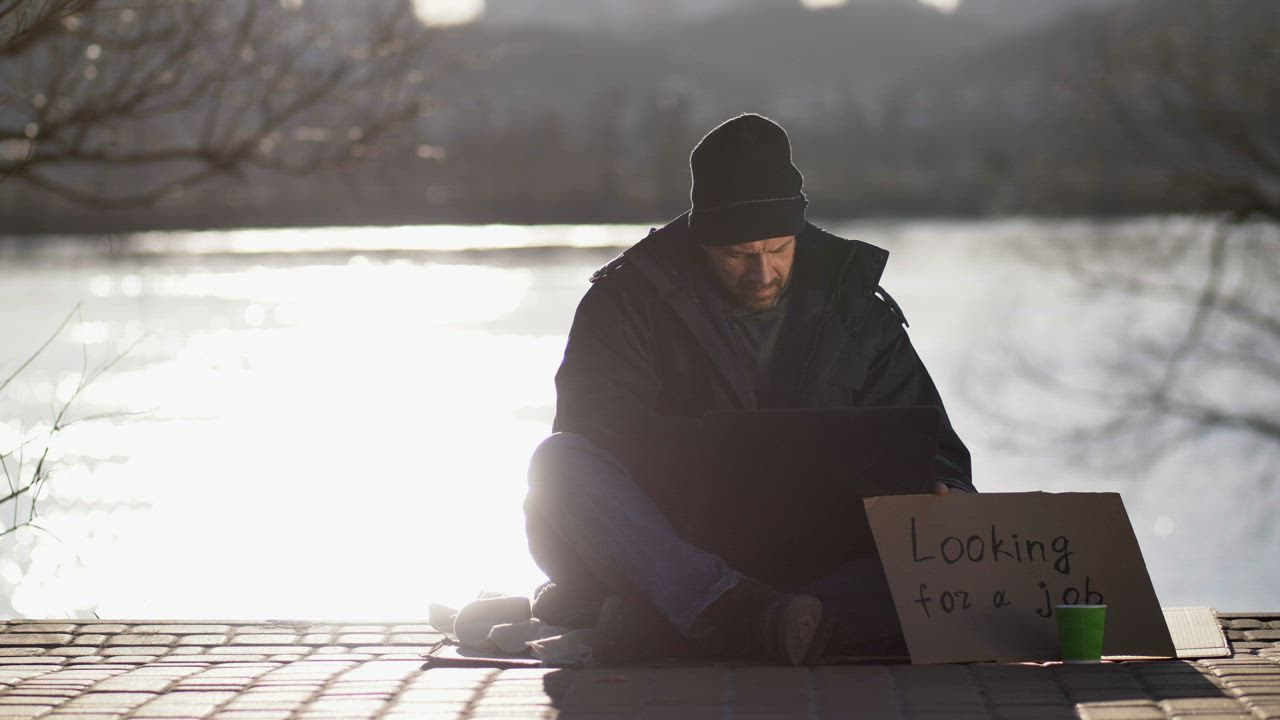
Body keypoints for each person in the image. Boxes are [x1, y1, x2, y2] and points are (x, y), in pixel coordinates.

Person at [524, 113, 974, 666]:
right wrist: (704, 461)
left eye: (778, 248)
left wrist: (944, 489)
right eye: (739, 255)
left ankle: (687, 625)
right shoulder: (626, 301)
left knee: (949, 570)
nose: (762, 272)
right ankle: (733, 609)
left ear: (799, 237)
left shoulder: (857, 309)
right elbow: (594, 433)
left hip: (823, 555)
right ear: (702, 241)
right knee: (560, 459)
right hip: (673, 548)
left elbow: (939, 452)